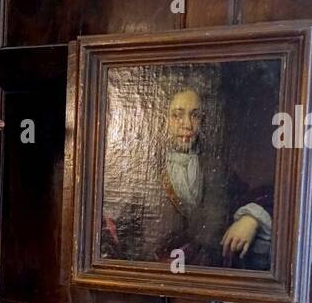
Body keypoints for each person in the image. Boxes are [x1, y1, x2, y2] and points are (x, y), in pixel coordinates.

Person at [101, 86, 273, 268]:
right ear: (163, 119)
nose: (187, 125)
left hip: (206, 276)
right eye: (177, 115)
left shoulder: (216, 168)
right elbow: (118, 232)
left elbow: (250, 196)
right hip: (155, 276)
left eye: (195, 115)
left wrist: (250, 219)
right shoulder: (138, 170)